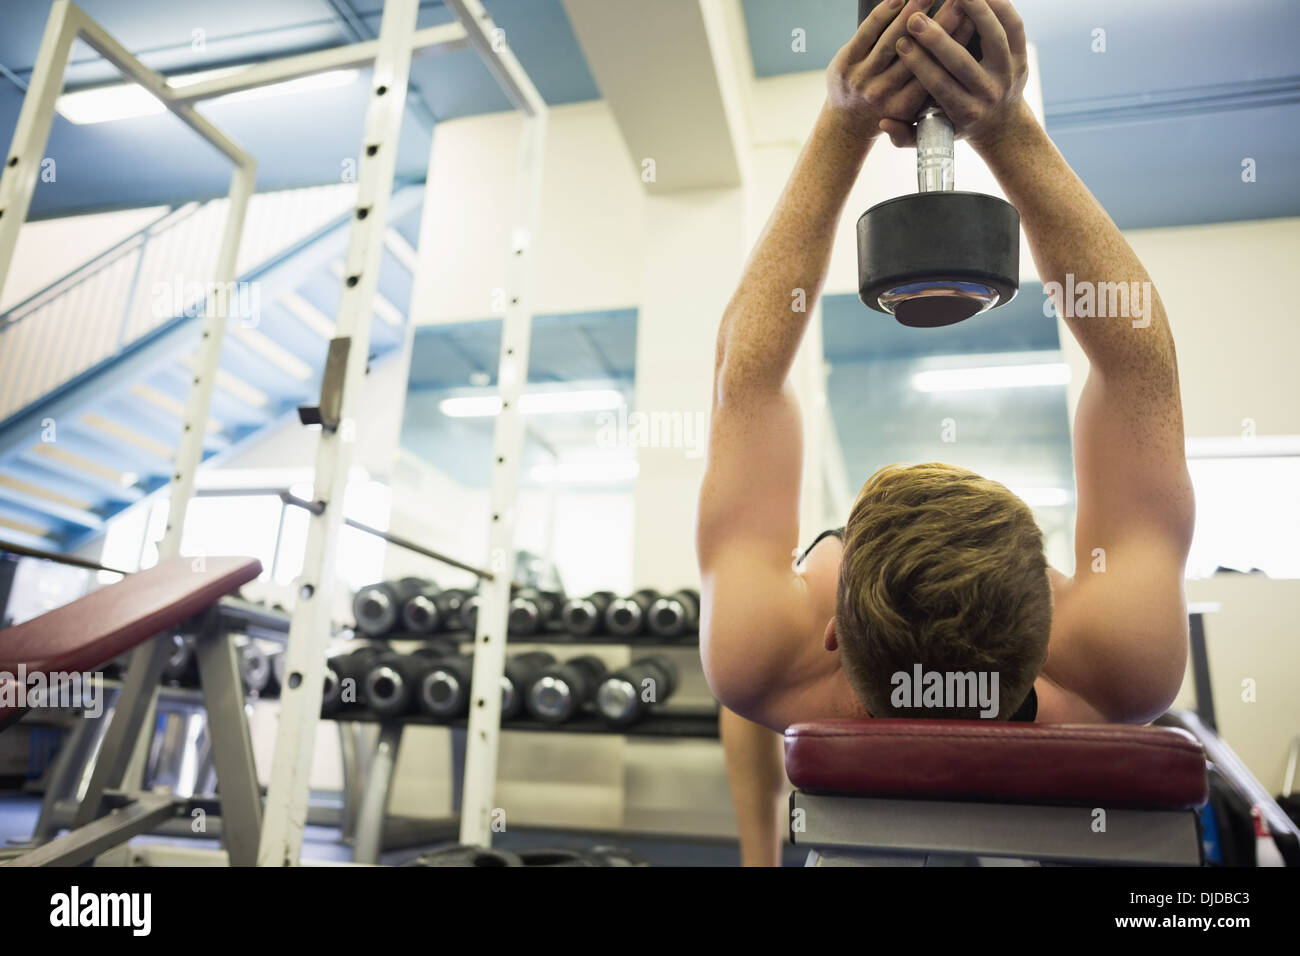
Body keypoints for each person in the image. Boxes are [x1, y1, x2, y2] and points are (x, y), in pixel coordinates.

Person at [696, 0, 1195, 865]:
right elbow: (1139, 369)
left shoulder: (767, 660)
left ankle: (755, 857)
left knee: (740, 671)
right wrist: (1007, 127)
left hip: (775, 670)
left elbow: (746, 375)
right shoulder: (1123, 667)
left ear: (831, 630)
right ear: (1052, 619)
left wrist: (842, 122)